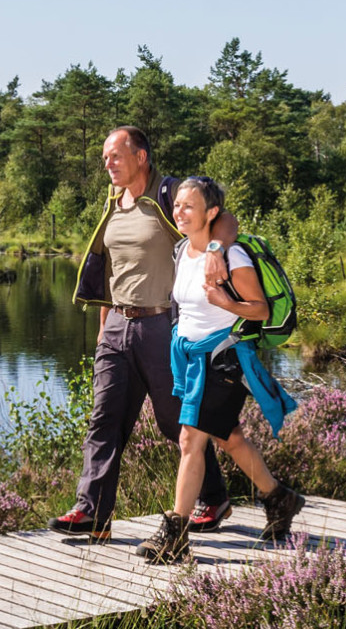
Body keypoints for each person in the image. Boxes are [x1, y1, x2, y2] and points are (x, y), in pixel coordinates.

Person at [51, 126, 237, 540]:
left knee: (175, 421)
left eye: (115, 156)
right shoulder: (113, 204)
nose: (108, 164)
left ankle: (214, 497)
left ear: (141, 157)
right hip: (117, 326)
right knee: (105, 419)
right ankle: (93, 513)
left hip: (162, 326)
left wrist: (214, 251)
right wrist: (104, 331)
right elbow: (111, 271)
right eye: (104, 158)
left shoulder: (170, 195)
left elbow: (224, 218)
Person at [138, 175, 305, 564]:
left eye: (189, 206)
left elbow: (260, 309)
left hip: (223, 359)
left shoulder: (233, 257)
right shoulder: (184, 251)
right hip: (190, 357)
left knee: (190, 439)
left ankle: (175, 534)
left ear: (211, 212)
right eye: (177, 204)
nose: (179, 211)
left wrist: (224, 301)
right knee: (228, 437)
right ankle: (280, 498)